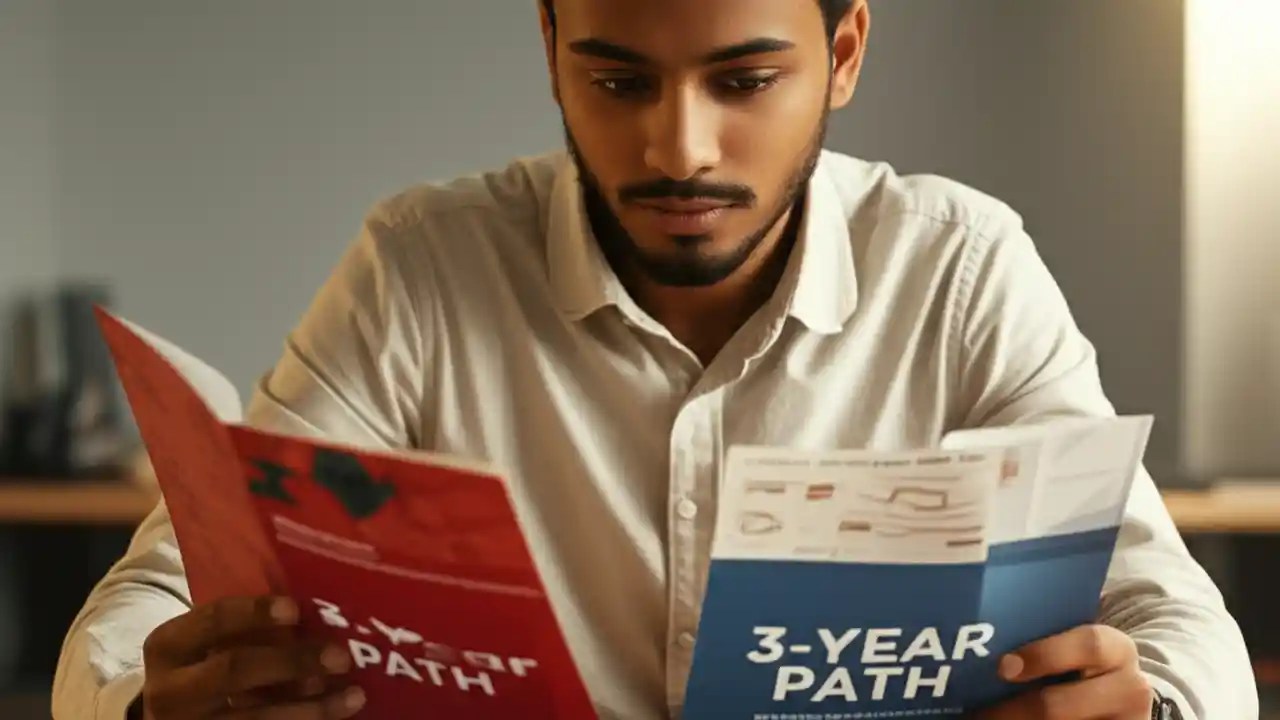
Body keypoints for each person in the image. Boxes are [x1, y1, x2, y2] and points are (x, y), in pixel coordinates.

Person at [52, 0, 1256, 718]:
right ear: (549, 40)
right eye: (617, 78)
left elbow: (1176, 625)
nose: (676, 148)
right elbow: (143, 615)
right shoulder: (423, 264)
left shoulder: (958, 268)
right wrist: (161, 701)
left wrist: (1140, 705)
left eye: (744, 80)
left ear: (841, 52)